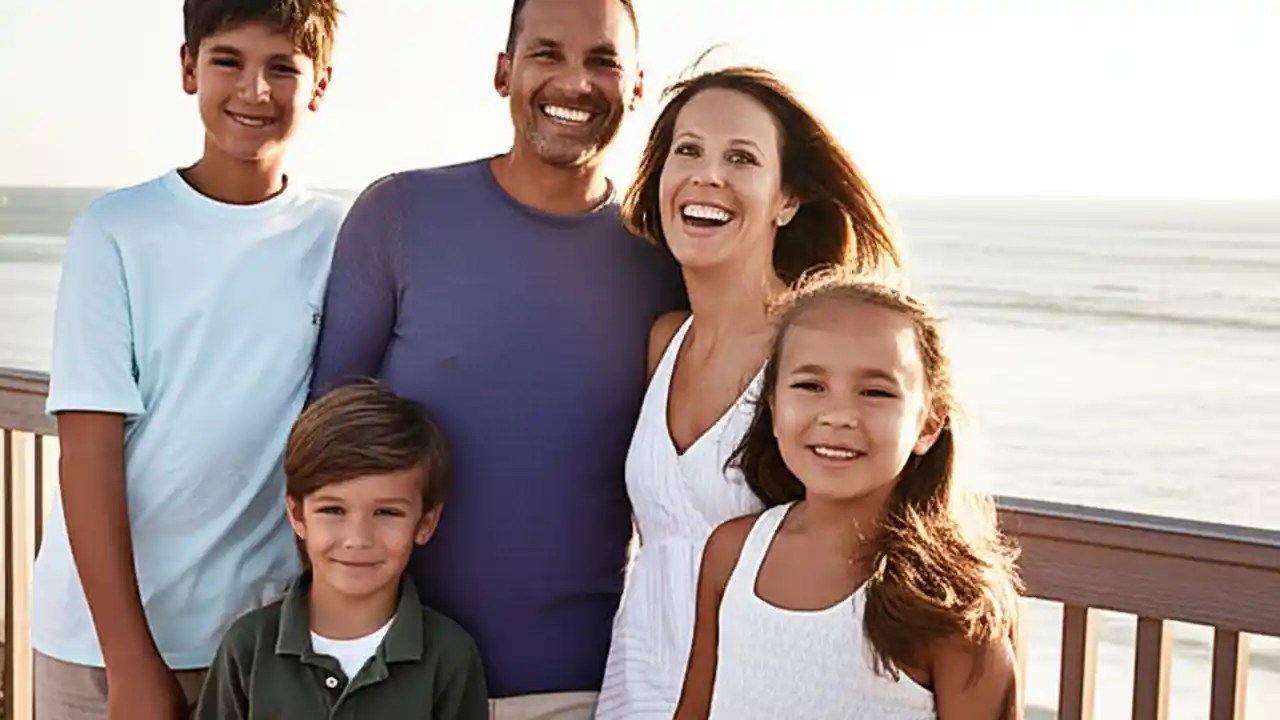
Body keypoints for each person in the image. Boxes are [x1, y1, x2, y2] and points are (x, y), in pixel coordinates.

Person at [308, 0, 684, 715]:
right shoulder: (400, 215)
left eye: (603, 61)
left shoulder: (664, 258)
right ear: (504, 72)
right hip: (391, 677)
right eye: (547, 54)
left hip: (579, 681)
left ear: (637, 85)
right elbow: (325, 453)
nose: (574, 81)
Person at [32, 1, 345, 718]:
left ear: (320, 84)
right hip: (100, 643)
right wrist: (129, 661)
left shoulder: (339, 236)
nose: (253, 91)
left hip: (262, 645)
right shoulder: (116, 230)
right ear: (188, 68)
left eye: (282, 68)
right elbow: (86, 452)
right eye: (228, 61)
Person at [596, 65, 904, 718]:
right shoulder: (664, 342)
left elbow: (910, 535)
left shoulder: (815, 359)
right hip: (634, 694)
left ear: (785, 199)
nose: (709, 175)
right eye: (689, 151)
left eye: (742, 158)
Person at [674, 272, 1023, 719]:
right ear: (773, 407)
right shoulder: (732, 554)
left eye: (875, 392)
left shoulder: (949, 602)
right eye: (810, 386)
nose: (838, 415)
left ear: (928, 425)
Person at [195, 381, 488, 719]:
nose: (357, 539)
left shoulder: (449, 656)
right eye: (333, 510)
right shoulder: (248, 648)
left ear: (424, 523)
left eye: (387, 513)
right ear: (297, 514)